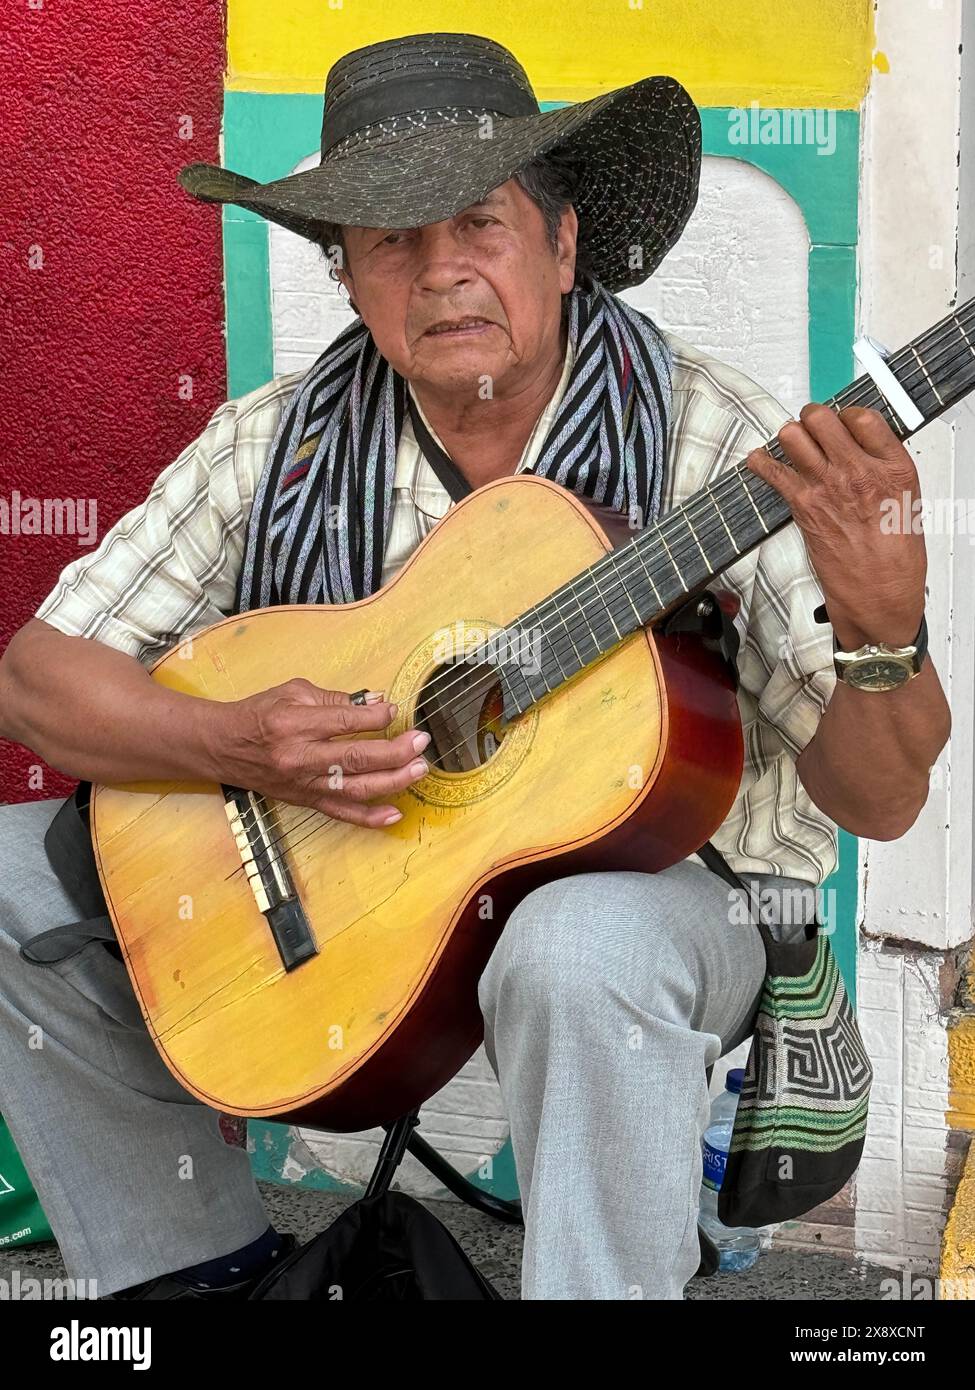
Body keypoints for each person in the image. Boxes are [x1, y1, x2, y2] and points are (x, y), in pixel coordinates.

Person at [0, 31, 950, 1300]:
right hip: (375, 898)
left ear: (562, 245)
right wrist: (234, 742)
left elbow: (880, 801)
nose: (441, 273)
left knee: (575, 944)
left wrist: (887, 632)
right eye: (392, 240)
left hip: (691, 905)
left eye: (480, 226)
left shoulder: (713, 446)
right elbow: (36, 677)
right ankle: (191, 1278)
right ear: (347, 277)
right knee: (15, 880)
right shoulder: (275, 443)